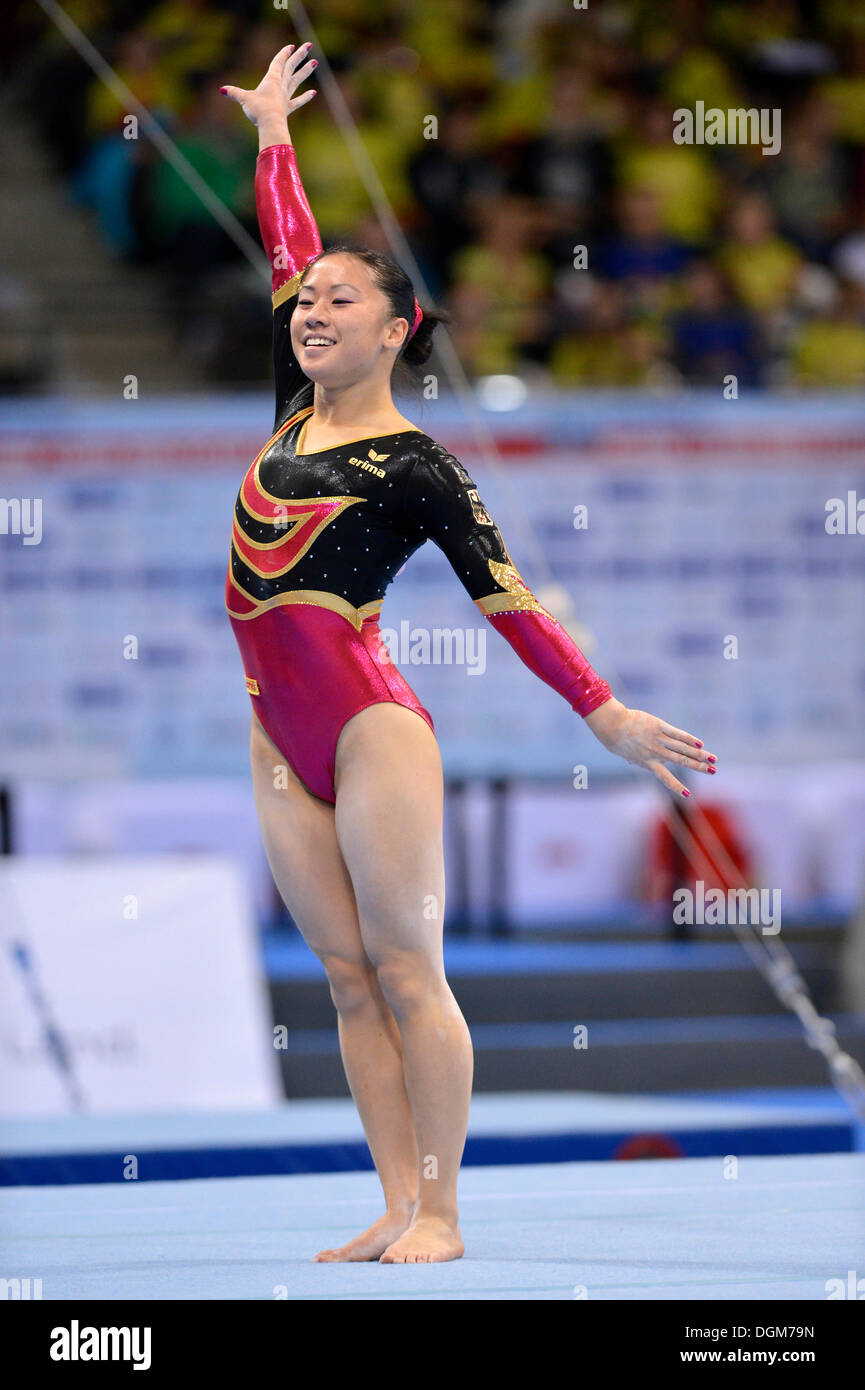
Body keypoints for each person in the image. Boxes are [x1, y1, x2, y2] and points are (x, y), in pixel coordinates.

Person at [221, 45, 718, 1265]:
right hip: (270, 725)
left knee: (403, 965)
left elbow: (508, 598)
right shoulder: (292, 408)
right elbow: (288, 246)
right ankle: (394, 1200)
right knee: (341, 978)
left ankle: (443, 1209)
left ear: (396, 332)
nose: (315, 309)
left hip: (366, 725)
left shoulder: (421, 464)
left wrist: (602, 712)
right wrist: (273, 138)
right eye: (311, 299)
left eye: (346, 301)